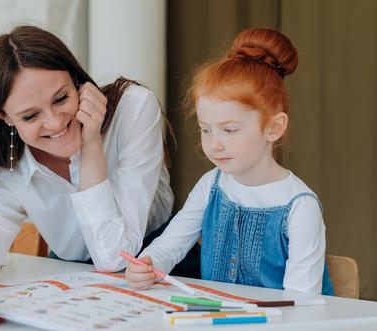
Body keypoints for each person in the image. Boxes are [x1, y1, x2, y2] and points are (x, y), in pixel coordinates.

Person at [0, 25, 175, 326]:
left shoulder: (132, 108)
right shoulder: (10, 164)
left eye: (61, 98)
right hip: (73, 287)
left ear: (76, 80)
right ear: (4, 117)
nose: (54, 122)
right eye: (30, 116)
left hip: (159, 269)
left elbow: (115, 258)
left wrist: (91, 145)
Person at [125, 28, 334, 296]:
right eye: (205, 129)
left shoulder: (300, 207)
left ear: (274, 127)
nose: (215, 144)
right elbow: (171, 245)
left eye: (230, 130)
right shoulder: (211, 184)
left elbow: (300, 303)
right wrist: (148, 264)